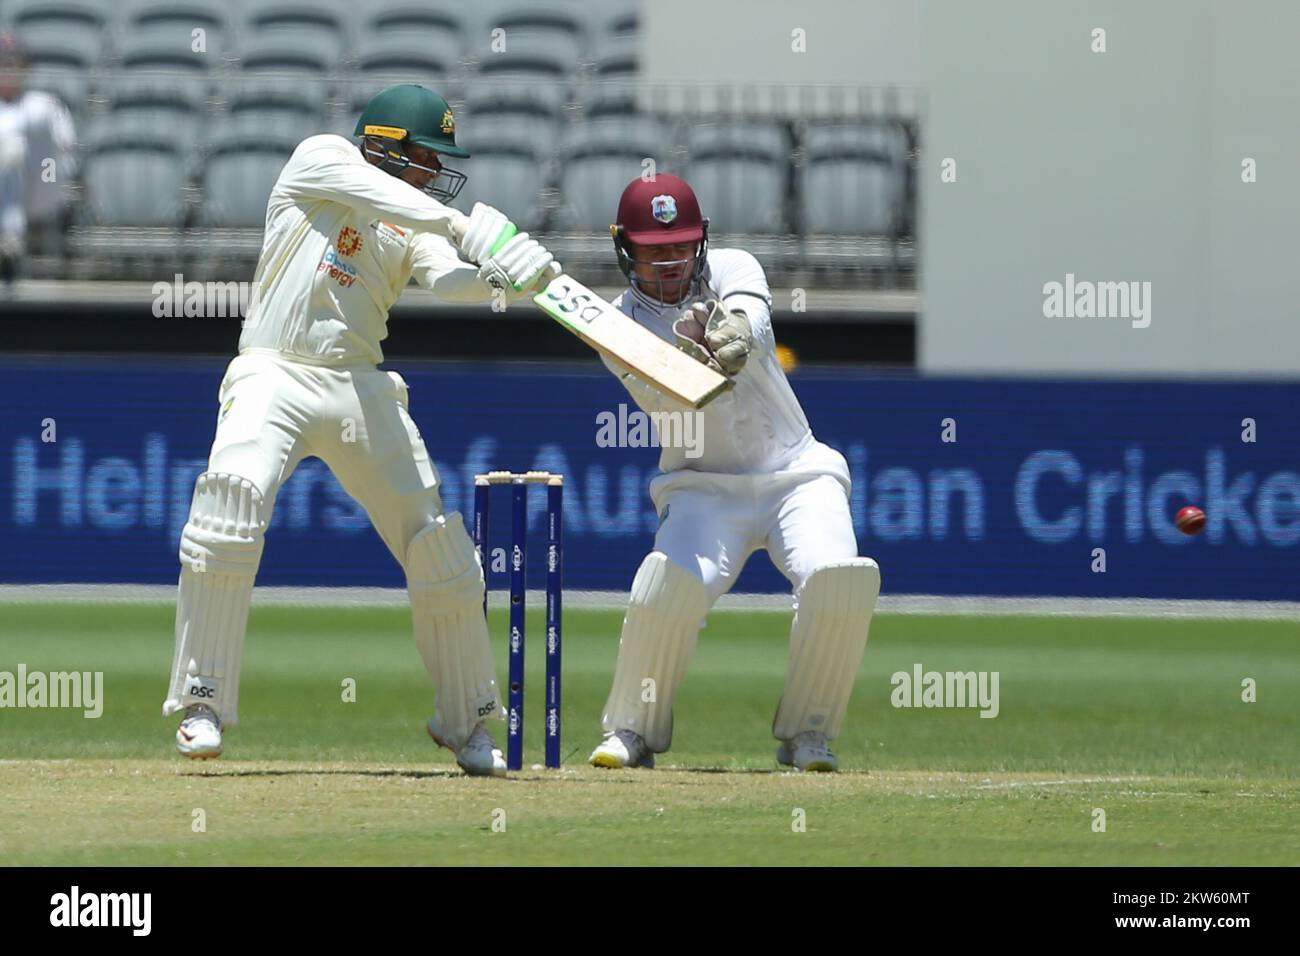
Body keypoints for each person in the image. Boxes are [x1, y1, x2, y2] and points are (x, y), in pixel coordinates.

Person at [164, 84, 556, 776]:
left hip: (357, 384)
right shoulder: (321, 159)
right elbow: (411, 208)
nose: (436, 173)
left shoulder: (414, 222)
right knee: (230, 505)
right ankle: (202, 700)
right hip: (273, 371)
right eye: (428, 157)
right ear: (385, 144)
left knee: (439, 546)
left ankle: (466, 720)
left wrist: (504, 277)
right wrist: (465, 225)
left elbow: (450, 279)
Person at [588, 174, 881, 772]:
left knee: (838, 578)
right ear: (625, 248)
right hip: (700, 487)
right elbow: (675, 395)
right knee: (667, 584)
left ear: (701, 241)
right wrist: (688, 363)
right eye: (652, 249)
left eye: (680, 246)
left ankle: (809, 734)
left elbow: (752, 319)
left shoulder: (734, 267)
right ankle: (632, 730)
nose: (669, 262)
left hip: (797, 472)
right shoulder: (612, 325)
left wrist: (734, 334)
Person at [0, 32, 77, 282]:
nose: (8, 69)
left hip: (44, 184)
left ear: (26, 67)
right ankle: (10, 240)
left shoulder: (44, 104)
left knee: (31, 128)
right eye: (2, 63)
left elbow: (67, 156)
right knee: (10, 154)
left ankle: (10, 239)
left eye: (13, 63)